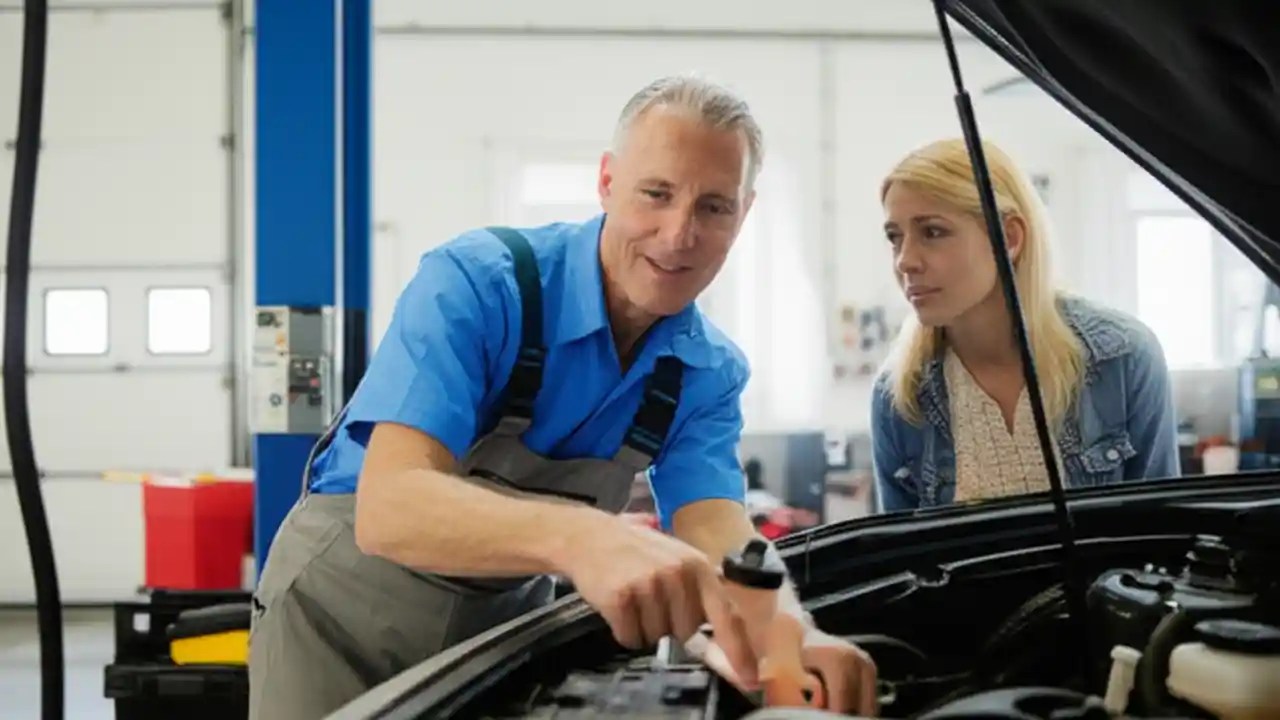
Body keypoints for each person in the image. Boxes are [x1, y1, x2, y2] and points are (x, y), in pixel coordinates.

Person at [248, 74, 876, 719]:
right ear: (607, 183)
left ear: (743, 215)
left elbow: (715, 524)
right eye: (655, 194)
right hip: (338, 621)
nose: (678, 233)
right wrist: (585, 538)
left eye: (713, 207)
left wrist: (789, 634)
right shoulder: (478, 285)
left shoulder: (706, 369)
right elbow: (391, 507)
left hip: (494, 637)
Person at [870, 138, 1180, 512]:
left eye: (933, 232)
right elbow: (905, 560)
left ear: (1009, 238)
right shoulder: (899, 397)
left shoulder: (1124, 357)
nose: (905, 261)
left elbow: (1159, 537)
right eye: (894, 237)